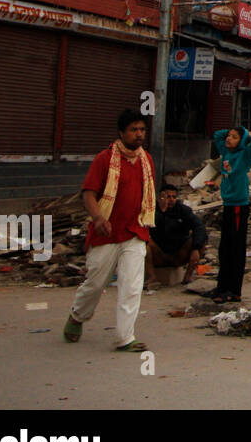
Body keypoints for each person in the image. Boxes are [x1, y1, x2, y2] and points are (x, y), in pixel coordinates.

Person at [64, 110, 155, 352]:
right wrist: (98, 217)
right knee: (95, 283)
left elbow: (149, 196)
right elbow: (88, 194)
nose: (139, 135)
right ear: (121, 132)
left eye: (142, 130)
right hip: (106, 232)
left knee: (132, 285)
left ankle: (125, 337)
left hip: (135, 231)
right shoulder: (104, 159)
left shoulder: (147, 160)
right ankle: (77, 316)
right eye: (134, 130)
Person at [210, 125, 251, 302]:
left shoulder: (244, 155)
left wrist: (246, 134)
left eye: (234, 137)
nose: (228, 139)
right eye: (229, 136)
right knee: (224, 248)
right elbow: (217, 134)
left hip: (239, 206)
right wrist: (230, 132)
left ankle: (234, 290)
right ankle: (222, 287)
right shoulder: (225, 152)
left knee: (236, 248)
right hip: (227, 204)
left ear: (240, 141)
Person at [148, 184, 207, 285]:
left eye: (173, 197)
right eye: (168, 197)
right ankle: (151, 277)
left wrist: (195, 248)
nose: (171, 200)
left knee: (200, 240)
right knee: (144, 244)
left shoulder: (183, 210)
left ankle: (188, 276)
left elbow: (199, 227)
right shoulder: (152, 210)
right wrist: (162, 211)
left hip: (179, 253)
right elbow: (149, 226)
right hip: (159, 253)